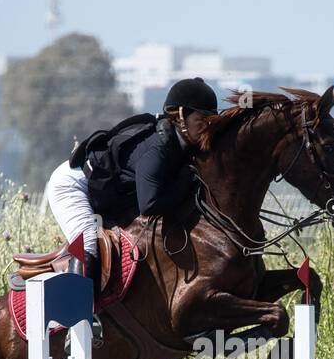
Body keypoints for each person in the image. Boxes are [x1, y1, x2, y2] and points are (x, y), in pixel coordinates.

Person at [45, 77, 218, 288]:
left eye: (210, 122)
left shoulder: (181, 145)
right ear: (181, 116)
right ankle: (77, 315)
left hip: (106, 193)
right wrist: (186, 181)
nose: (206, 128)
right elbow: (150, 205)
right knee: (88, 242)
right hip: (74, 186)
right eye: (201, 120)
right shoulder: (158, 148)